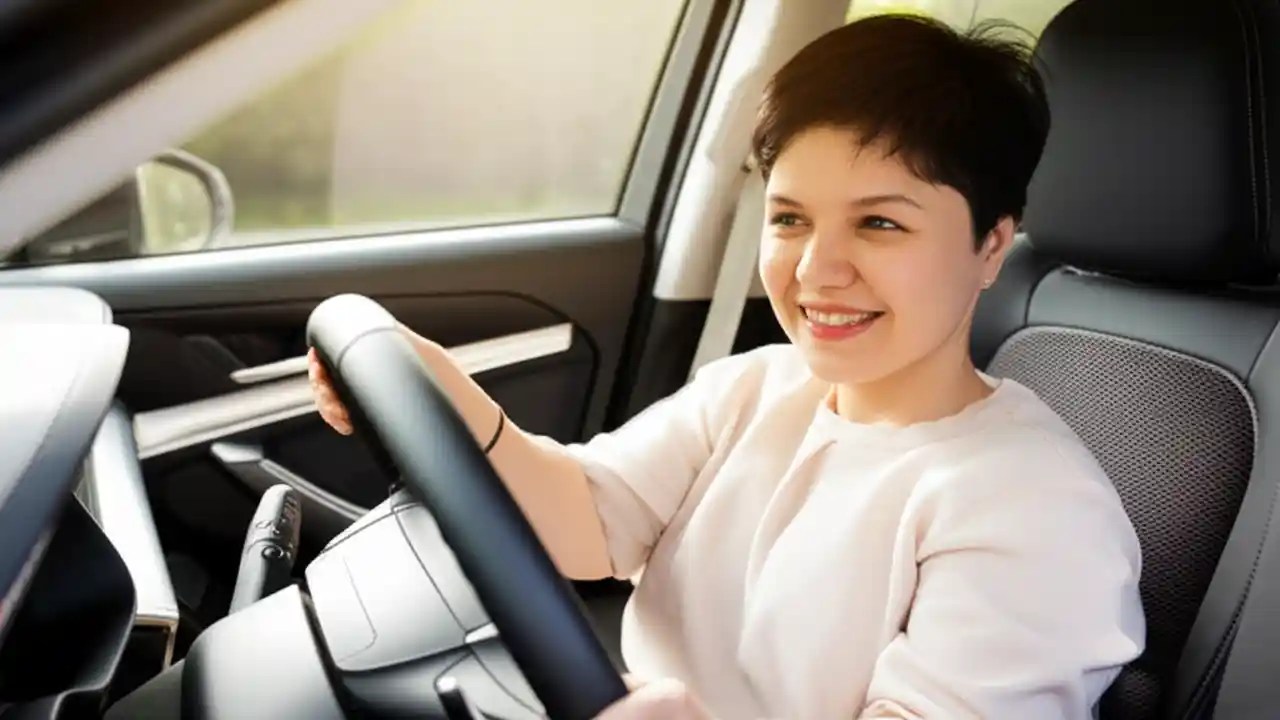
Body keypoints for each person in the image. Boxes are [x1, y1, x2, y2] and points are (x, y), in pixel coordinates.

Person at [308, 14, 1144, 719]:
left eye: (880, 225)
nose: (816, 269)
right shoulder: (760, 386)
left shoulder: (1034, 510)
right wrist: (429, 381)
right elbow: (586, 523)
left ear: (992, 244)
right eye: (788, 219)